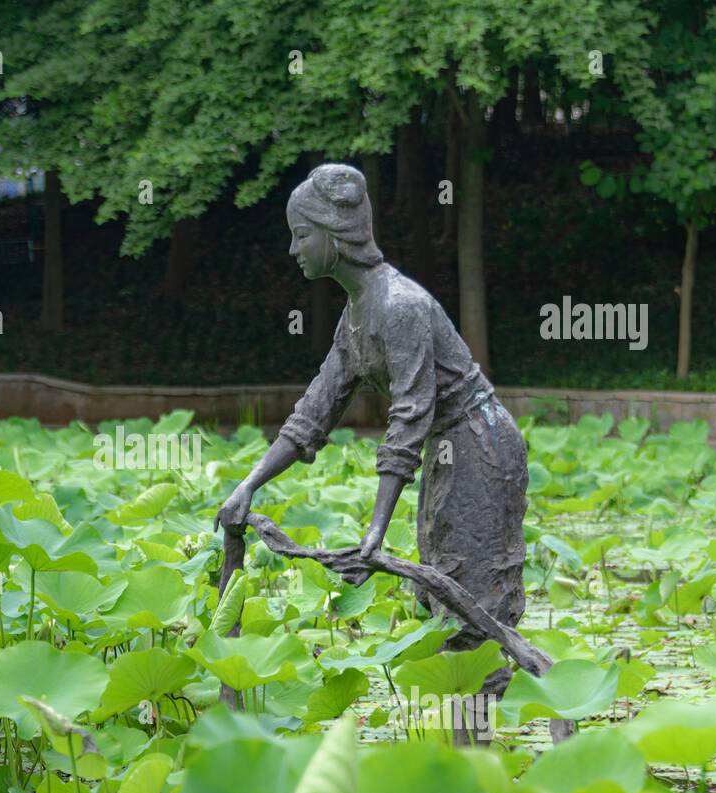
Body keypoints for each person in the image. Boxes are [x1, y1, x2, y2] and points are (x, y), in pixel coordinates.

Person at [214, 162, 529, 654]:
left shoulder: (399, 306)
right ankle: (466, 726)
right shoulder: (356, 316)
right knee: (445, 596)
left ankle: (484, 720)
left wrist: (375, 532)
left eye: (301, 236)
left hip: (479, 443)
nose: (293, 250)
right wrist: (249, 485)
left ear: (334, 234)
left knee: (473, 599)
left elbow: (410, 414)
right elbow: (313, 414)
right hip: (449, 446)